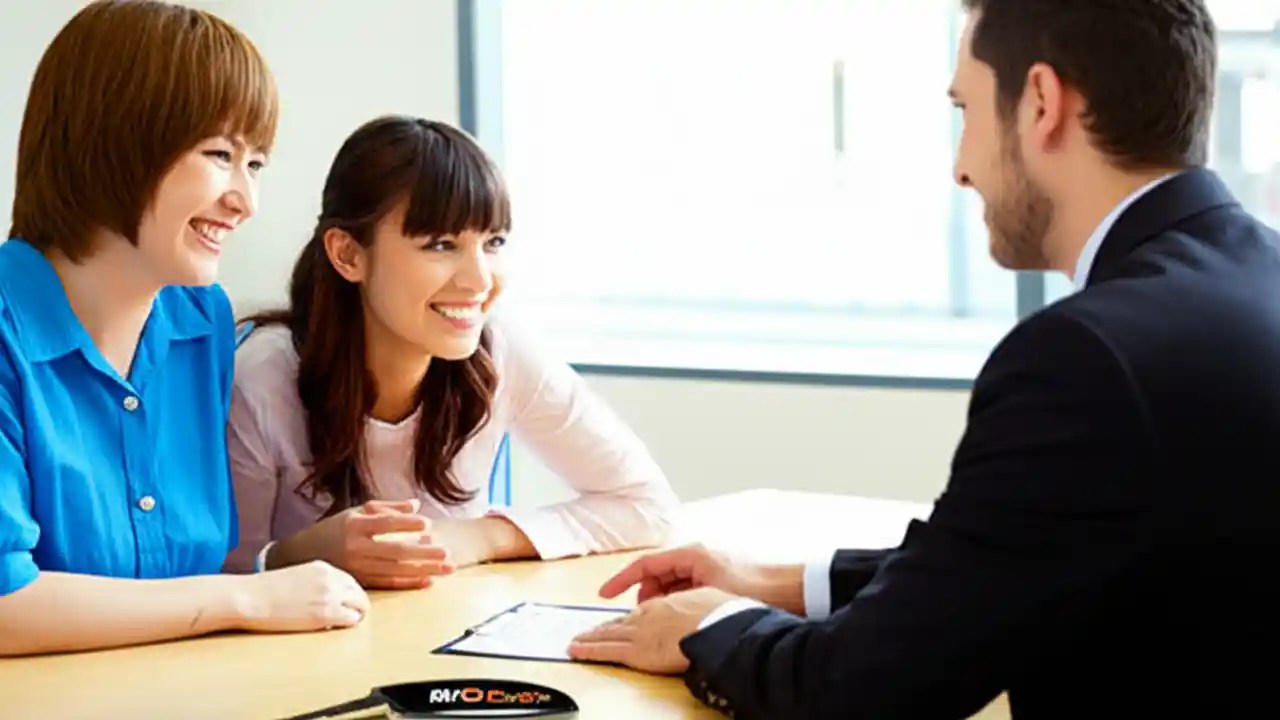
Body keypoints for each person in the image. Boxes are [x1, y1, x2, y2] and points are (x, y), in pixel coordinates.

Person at [569, 1, 1279, 717]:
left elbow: (865, 689)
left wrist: (711, 628)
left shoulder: (1085, 358)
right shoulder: (1258, 283)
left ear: (1041, 102)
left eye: (964, 110)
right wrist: (776, 582)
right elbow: (1018, 557)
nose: (961, 169)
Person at [0, 1, 371, 657]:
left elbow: (196, 574)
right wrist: (252, 598)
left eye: (254, 164)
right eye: (219, 154)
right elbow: (7, 606)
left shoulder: (200, 322)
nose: (245, 200)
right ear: (113, 143)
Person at [223, 115, 678, 588]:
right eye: (441, 245)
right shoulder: (262, 377)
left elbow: (646, 505)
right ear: (349, 255)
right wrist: (307, 553)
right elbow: (219, 576)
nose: (480, 281)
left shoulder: (498, 349)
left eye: (493, 243)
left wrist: (477, 538)